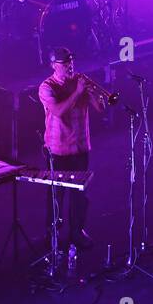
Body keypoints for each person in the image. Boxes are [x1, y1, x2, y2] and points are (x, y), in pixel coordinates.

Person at [37, 47, 106, 250]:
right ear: (53, 65)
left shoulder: (79, 82)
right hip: (57, 149)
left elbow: (100, 109)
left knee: (79, 194)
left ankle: (77, 232)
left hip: (80, 148)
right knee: (56, 194)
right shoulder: (47, 87)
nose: (69, 65)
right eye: (64, 62)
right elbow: (58, 111)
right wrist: (77, 92)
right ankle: (53, 234)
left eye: (71, 61)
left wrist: (94, 94)